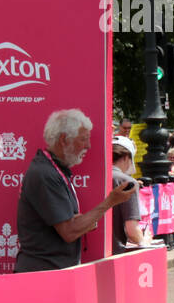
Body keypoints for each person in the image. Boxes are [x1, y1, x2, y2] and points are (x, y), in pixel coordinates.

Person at [15, 110, 136, 273]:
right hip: (44, 274)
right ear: (64, 140)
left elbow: (69, 225)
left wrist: (83, 222)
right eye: (84, 139)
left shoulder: (53, 169)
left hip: (53, 271)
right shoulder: (45, 173)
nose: (88, 146)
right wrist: (110, 202)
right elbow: (69, 231)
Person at [110, 136, 149, 253]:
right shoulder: (128, 182)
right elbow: (132, 230)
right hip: (115, 252)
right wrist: (145, 241)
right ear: (127, 157)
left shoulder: (90, 177)